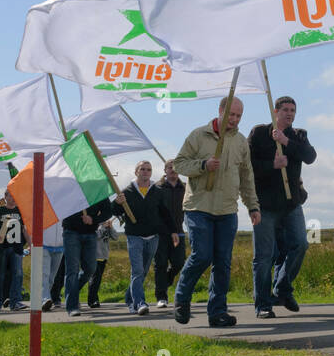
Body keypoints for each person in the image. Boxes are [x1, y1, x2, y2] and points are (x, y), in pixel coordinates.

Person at [173, 97, 262, 327]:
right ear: (220, 111)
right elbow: (179, 164)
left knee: (222, 262)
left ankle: (217, 312)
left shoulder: (241, 142)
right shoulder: (198, 135)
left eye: (238, 116)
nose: (234, 120)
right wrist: (203, 165)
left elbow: (246, 177)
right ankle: (182, 299)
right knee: (202, 255)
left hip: (227, 209)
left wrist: (252, 206)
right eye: (231, 114)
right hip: (198, 207)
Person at [249, 96, 316, 318]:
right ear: (275, 111)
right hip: (265, 205)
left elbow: (310, 157)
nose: (290, 114)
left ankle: (282, 287)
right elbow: (247, 166)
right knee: (264, 256)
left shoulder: (298, 135)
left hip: (291, 204)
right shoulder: (259, 133)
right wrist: (272, 165)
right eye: (285, 110)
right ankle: (263, 305)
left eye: (293, 110)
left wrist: (287, 142)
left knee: (300, 244)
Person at [112, 160, 179, 316]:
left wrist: (173, 231)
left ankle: (129, 298)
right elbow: (113, 211)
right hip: (134, 236)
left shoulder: (157, 190)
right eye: (142, 169)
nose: (146, 172)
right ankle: (140, 303)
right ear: (136, 171)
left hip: (153, 236)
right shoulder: (127, 191)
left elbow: (165, 213)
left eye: (148, 169)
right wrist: (117, 203)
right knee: (137, 270)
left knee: (142, 271)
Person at [62, 196, 112, 318]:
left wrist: (93, 219)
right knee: (72, 269)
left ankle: (72, 291)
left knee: (91, 269)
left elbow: (108, 211)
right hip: (71, 232)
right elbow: (60, 205)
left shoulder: (96, 189)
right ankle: (72, 306)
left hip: (90, 233)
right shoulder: (71, 187)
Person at [153, 160, 187, 308]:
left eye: (175, 167)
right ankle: (161, 296)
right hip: (160, 233)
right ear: (165, 170)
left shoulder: (185, 188)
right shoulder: (157, 188)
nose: (173, 170)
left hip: (179, 231)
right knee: (160, 264)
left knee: (179, 262)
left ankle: (165, 281)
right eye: (169, 167)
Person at [0, 190, 25, 311]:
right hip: (2, 247)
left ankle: (15, 301)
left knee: (18, 274)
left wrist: (31, 244)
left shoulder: (20, 211)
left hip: (17, 247)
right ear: (5, 197)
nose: (14, 198)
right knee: (0, 275)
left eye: (16, 196)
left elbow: (24, 229)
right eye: (11, 196)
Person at [86, 218, 117, 308]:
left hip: (104, 256)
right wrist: (103, 227)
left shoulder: (106, 225)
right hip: (95, 256)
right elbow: (96, 236)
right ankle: (92, 300)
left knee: (98, 279)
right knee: (95, 278)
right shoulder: (95, 224)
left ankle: (95, 299)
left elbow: (115, 237)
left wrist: (111, 227)